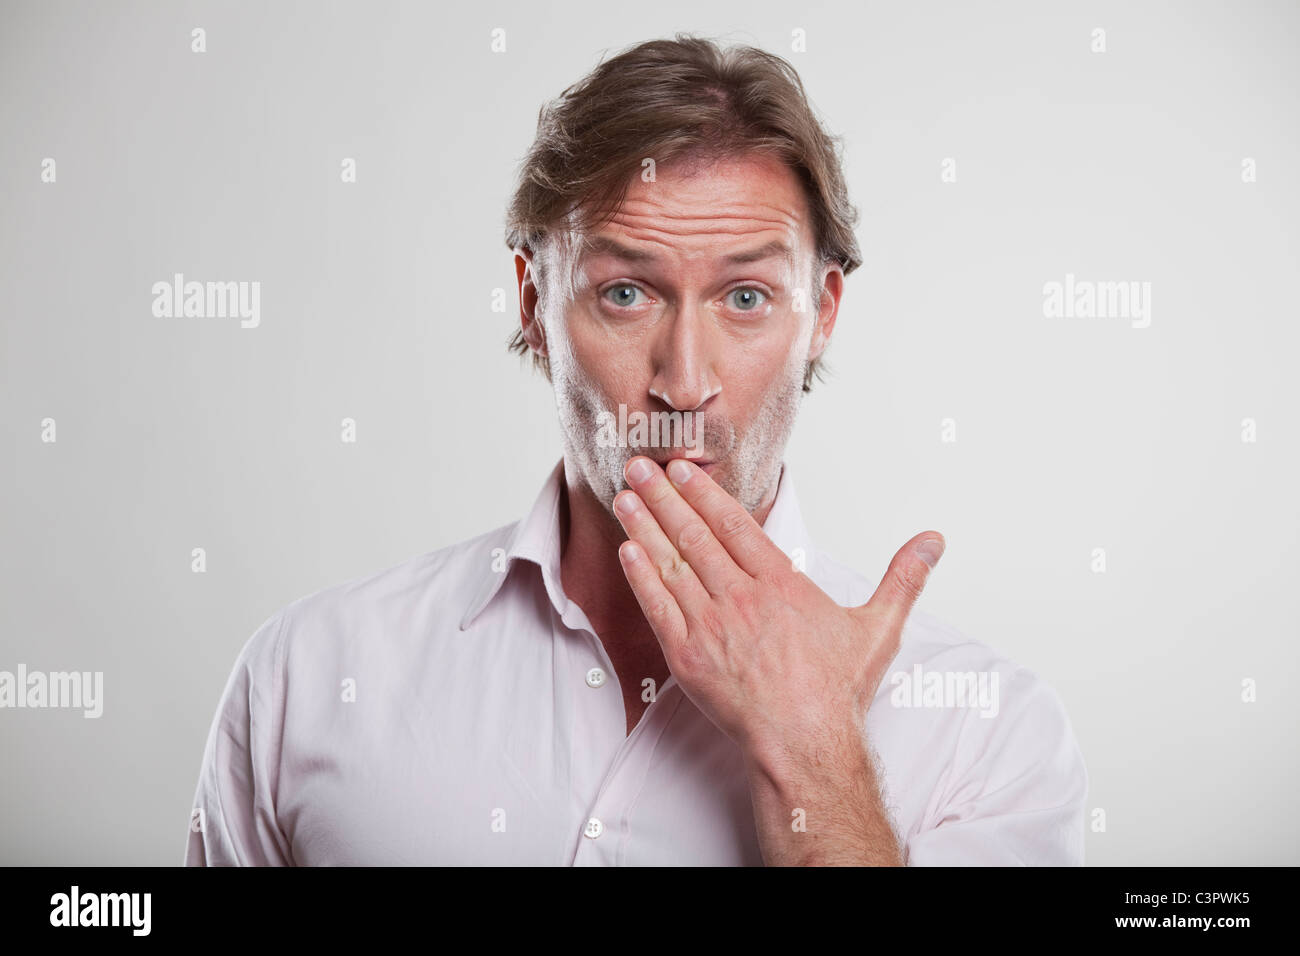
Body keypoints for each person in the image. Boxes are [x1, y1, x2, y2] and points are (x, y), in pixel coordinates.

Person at [185, 33, 1086, 866]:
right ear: (534, 306)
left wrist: (815, 751)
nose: (684, 383)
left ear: (823, 315)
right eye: (625, 292)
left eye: (745, 297)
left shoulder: (990, 736)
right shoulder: (309, 677)